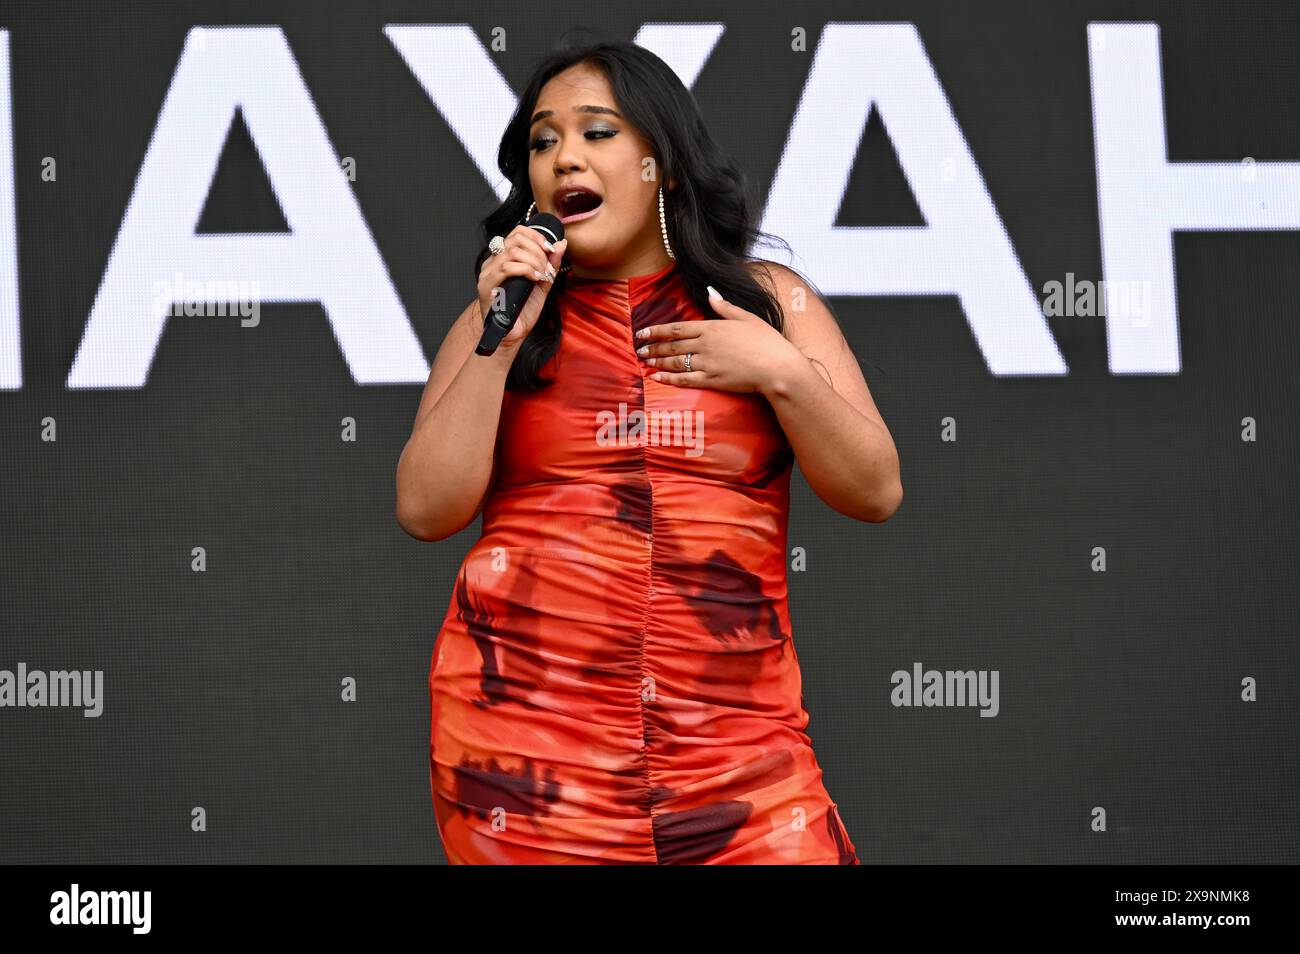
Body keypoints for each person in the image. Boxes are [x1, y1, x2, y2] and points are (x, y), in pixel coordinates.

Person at [396, 36, 902, 864]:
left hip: (738, 754)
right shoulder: (503, 319)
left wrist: (784, 374)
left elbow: (875, 490)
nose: (564, 159)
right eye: (543, 141)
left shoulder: (764, 301)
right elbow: (426, 508)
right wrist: (500, 340)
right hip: (531, 755)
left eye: (597, 133)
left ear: (661, 164)